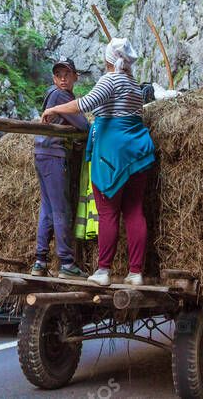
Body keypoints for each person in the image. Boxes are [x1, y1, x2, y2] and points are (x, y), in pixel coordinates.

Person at [41, 38, 156, 286]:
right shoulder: (133, 84)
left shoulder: (110, 79)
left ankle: (103, 271)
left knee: (108, 212)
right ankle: (135, 272)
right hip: (138, 150)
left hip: (112, 152)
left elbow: (84, 105)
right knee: (135, 211)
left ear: (108, 58)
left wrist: (54, 110)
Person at [32, 57, 90, 279]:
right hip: (54, 155)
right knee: (61, 208)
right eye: (58, 75)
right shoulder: (61, 96)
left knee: (47, 208)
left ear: (75, 76)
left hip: (42, 154)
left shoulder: (51, 93)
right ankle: (66, 263)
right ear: (54, 78)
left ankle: (40, 261)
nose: (63, 78)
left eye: (67, 74)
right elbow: (84, 125)